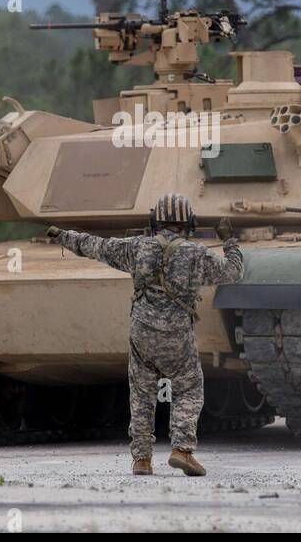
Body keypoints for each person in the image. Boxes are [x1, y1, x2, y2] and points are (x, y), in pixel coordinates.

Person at [47, 193, 242, 476]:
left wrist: (62, 235)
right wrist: (230, 240)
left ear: (155, 220)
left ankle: (141, 459)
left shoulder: (136, 248)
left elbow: (95, 246)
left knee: (141, 393)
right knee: (188, 387)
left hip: (142, 332)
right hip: (177, 335)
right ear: (189, 222)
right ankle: (182, 450)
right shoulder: (196, 254)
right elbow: (233, 272)